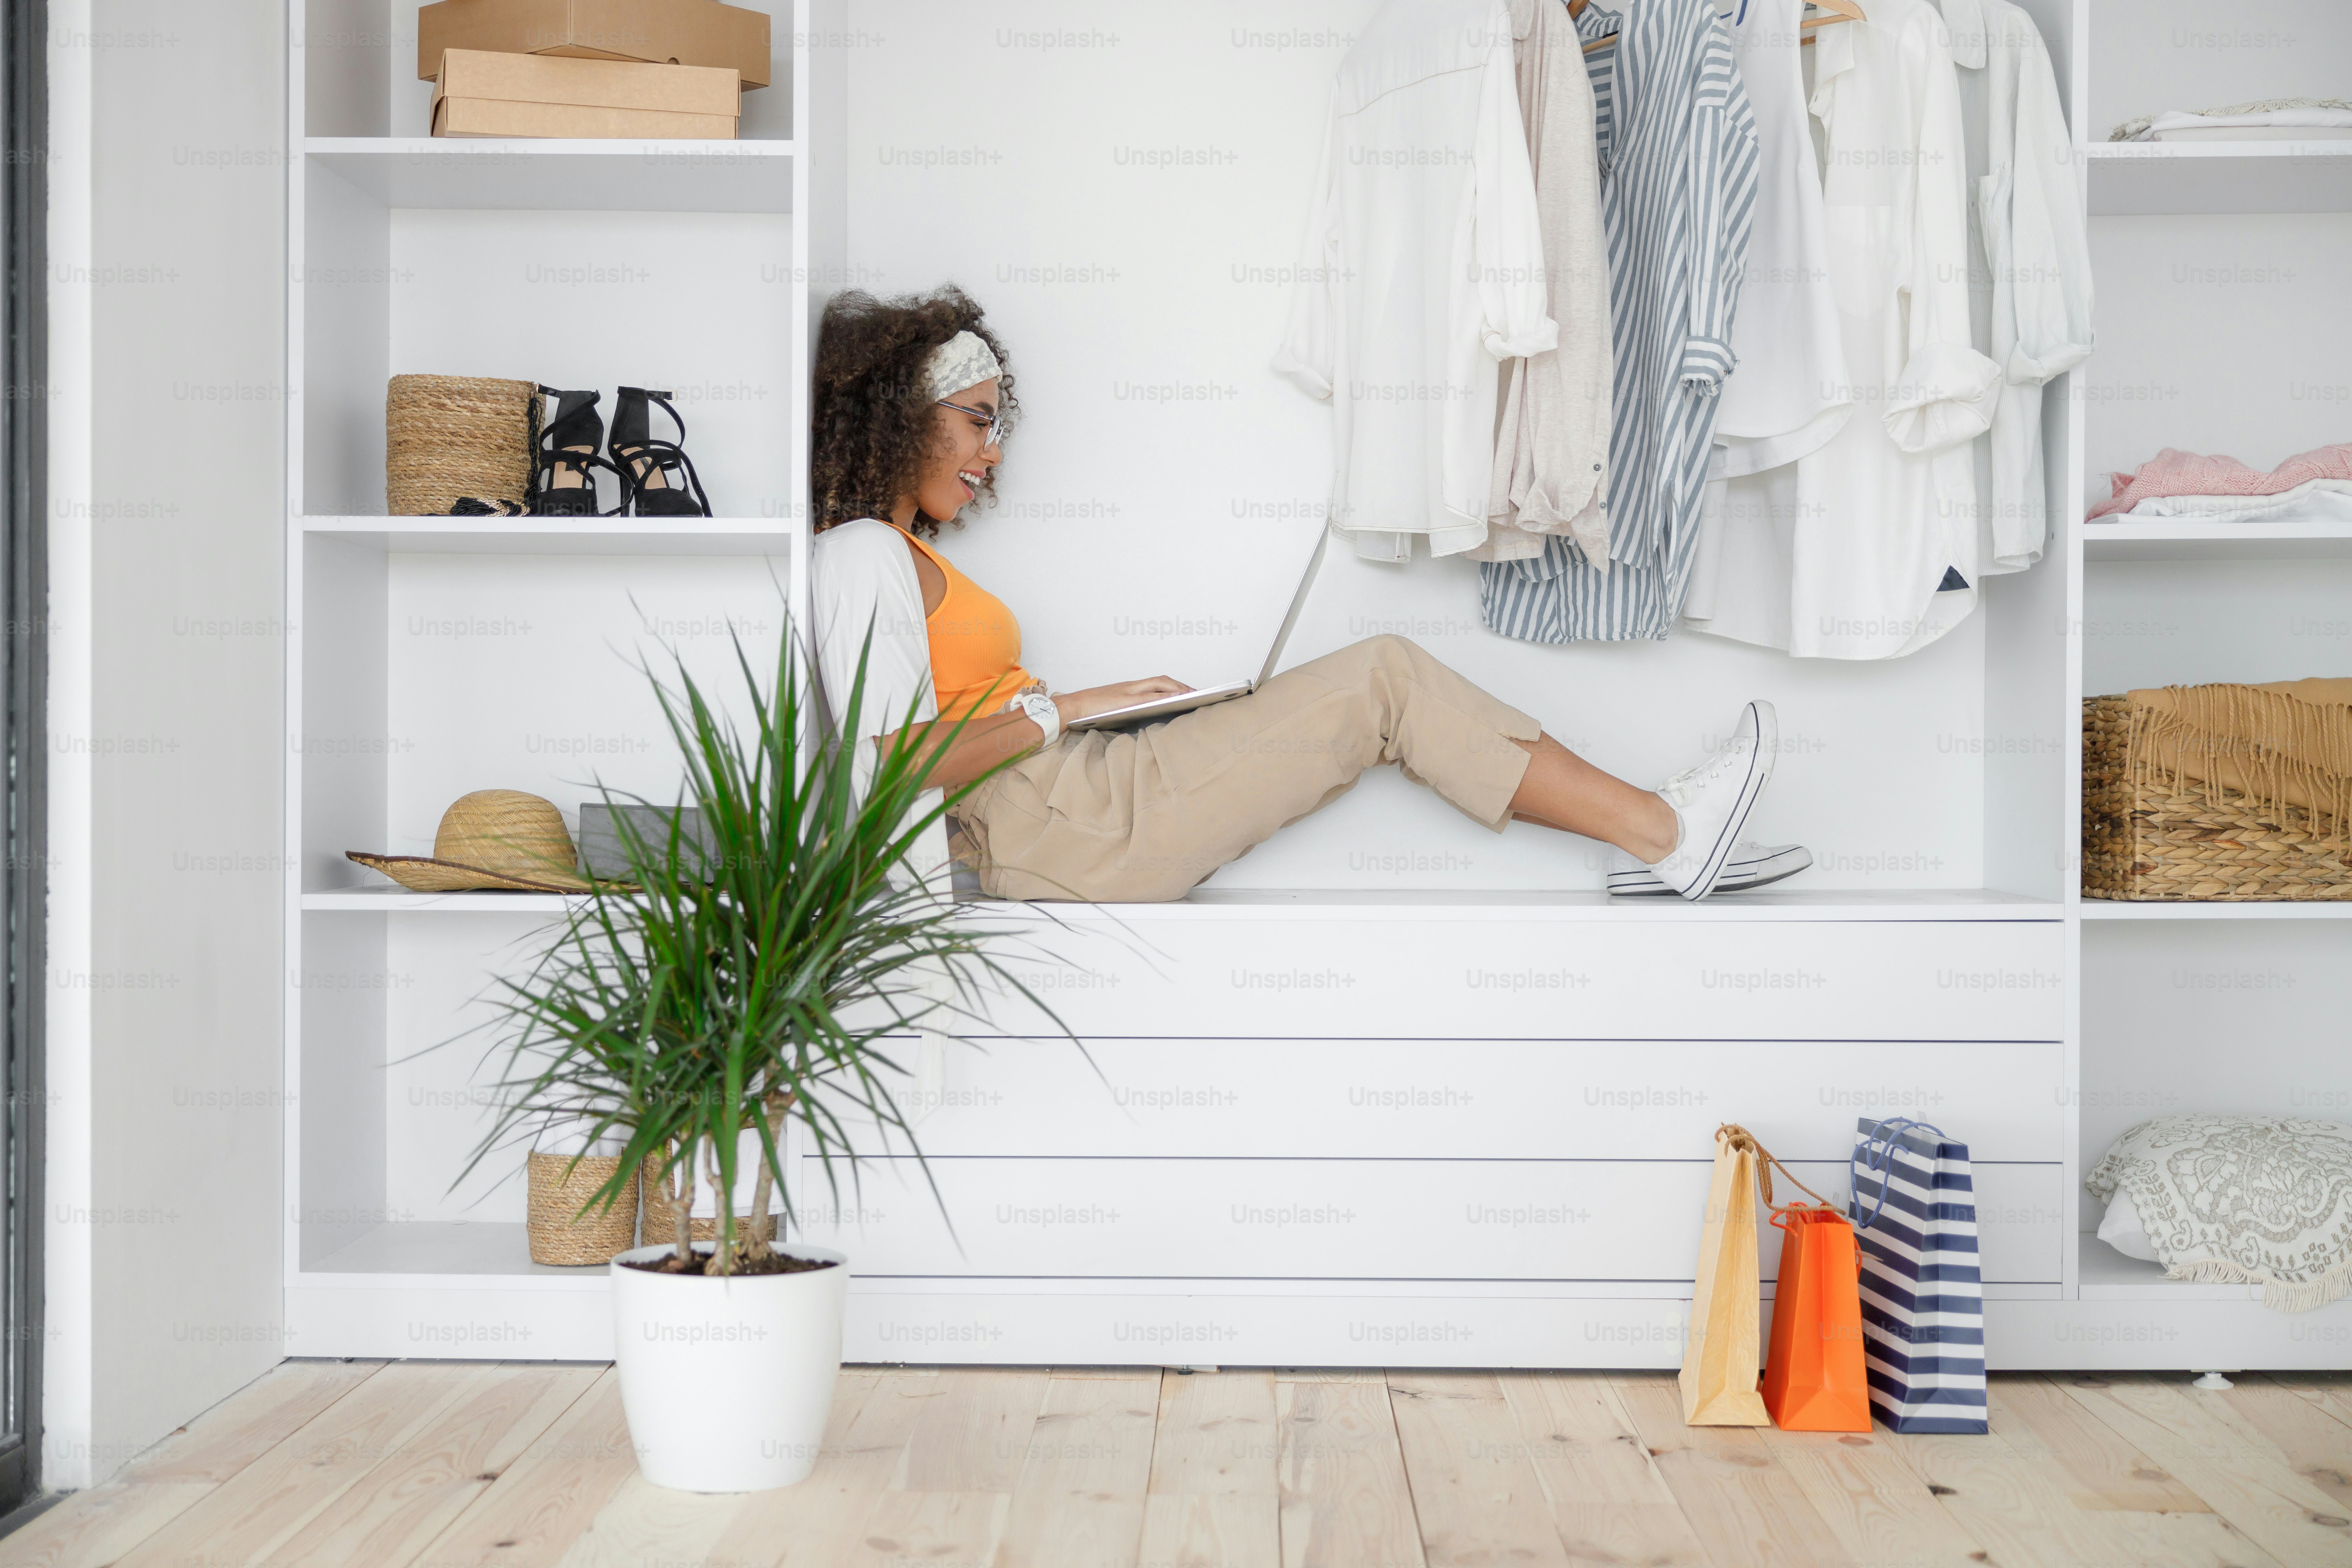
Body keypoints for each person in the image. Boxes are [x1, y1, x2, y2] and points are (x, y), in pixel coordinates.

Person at [809, 286, 1799, 904]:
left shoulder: (903, 555)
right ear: (902, 415)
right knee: (1386, 681)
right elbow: (885, 769)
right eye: (978, 421)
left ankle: (1653, 843)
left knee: (1373, 682)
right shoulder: (863, 555)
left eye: (998, 426)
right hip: (1061, 823)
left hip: (1081, 794)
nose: (993, 449)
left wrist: (1104, 715)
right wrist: (1061, 709)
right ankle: (1664, 834)